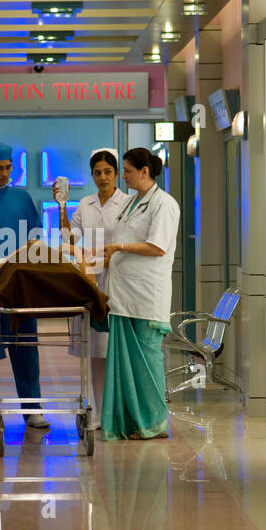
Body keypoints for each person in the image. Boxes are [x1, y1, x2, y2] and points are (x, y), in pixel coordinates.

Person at [100, 147, 180, 441]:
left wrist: (120, 249)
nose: (125, 177)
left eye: (129, 172)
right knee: (128, 365)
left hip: (147, 296)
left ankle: (155, 423)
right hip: (124, 295)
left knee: (147, 362)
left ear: (144, 171)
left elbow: (157, 247)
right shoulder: (134, 203)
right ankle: (133, 421)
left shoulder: (164, 204)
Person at [0, 141, 50, 429]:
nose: (4, 174)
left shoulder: (22, 198)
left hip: (20, 283)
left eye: (8, 168)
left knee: (26, 347)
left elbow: (35, 236)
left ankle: (32, 409)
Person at [54, 148, 128, 429]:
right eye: (97, 172)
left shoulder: (127, 203)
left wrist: (109, 258)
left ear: (117, 174)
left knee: (117, 349)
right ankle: (98, 412)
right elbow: (69, 237)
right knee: (97, 350)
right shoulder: (85, 204)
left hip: (119, 279)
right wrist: (62, 205)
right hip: (91, 280)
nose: (102, 177)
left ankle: (118, 410)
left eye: (108, 172)